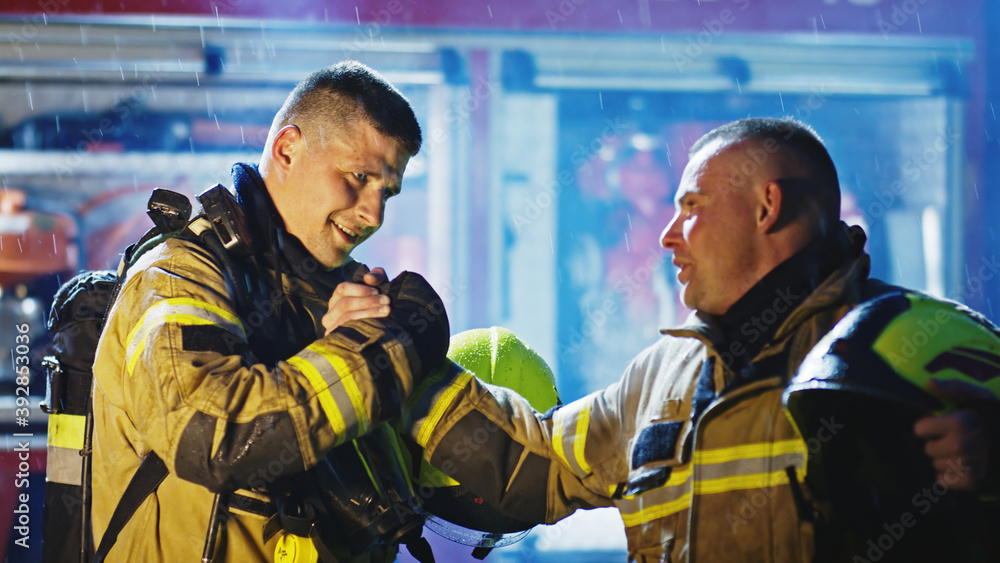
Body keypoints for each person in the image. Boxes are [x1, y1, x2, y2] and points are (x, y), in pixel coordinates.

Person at [401, 117, 998, 562]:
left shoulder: (921, 343)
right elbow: (535, 461)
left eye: (691, 207)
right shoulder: (661, 378)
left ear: (768, 206)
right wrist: (403, 367)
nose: (667, 235)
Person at [90, 60, 448, 562]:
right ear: (286, 148)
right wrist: (376, 352)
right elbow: (218, 436)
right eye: (359, 177)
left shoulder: (344, 294)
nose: (375, 214)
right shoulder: (175, 275)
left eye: (386, 191)